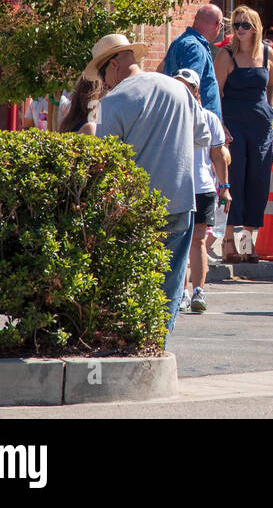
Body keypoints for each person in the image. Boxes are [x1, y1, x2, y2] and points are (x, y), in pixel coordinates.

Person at [90, 34, 210, 337]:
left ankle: (134, 344)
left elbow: (105, 160)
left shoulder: (114, 101)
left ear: (114, 65)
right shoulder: (179, 89)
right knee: (168, 288)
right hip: (182, 201)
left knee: (131, 285)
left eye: (103, 76)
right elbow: (203, 136)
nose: (104, 84)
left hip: (137, 208)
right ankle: (158, 346)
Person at [214, 5, 273, 264]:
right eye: (236, 24)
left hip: (260, 124)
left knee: (258, 180)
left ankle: (248, 239)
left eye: (245, 25)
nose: (239, 29)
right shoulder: (225, 55)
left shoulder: (267, 52)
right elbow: (215, 94)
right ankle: (228, 241)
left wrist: (271, 109)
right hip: (233, 125)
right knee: (235, 179)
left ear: (255, 28)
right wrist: (221, 125)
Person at [174, 68, 229, 313]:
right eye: (177, 85)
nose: (181, 90)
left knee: (198, 241)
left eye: (186, 86)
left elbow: (218, 156)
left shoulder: (209, 118)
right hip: (176, 185)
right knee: (178, 242)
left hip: (203, 188)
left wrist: (224, 187)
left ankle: (198, 291)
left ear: (196, 90)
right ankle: (182, 292)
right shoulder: (169, 118)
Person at [163, 4, 223, 118]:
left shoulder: (180, 41)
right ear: (217, 25)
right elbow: (189, 88)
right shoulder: (196, 48)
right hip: (200, 123)